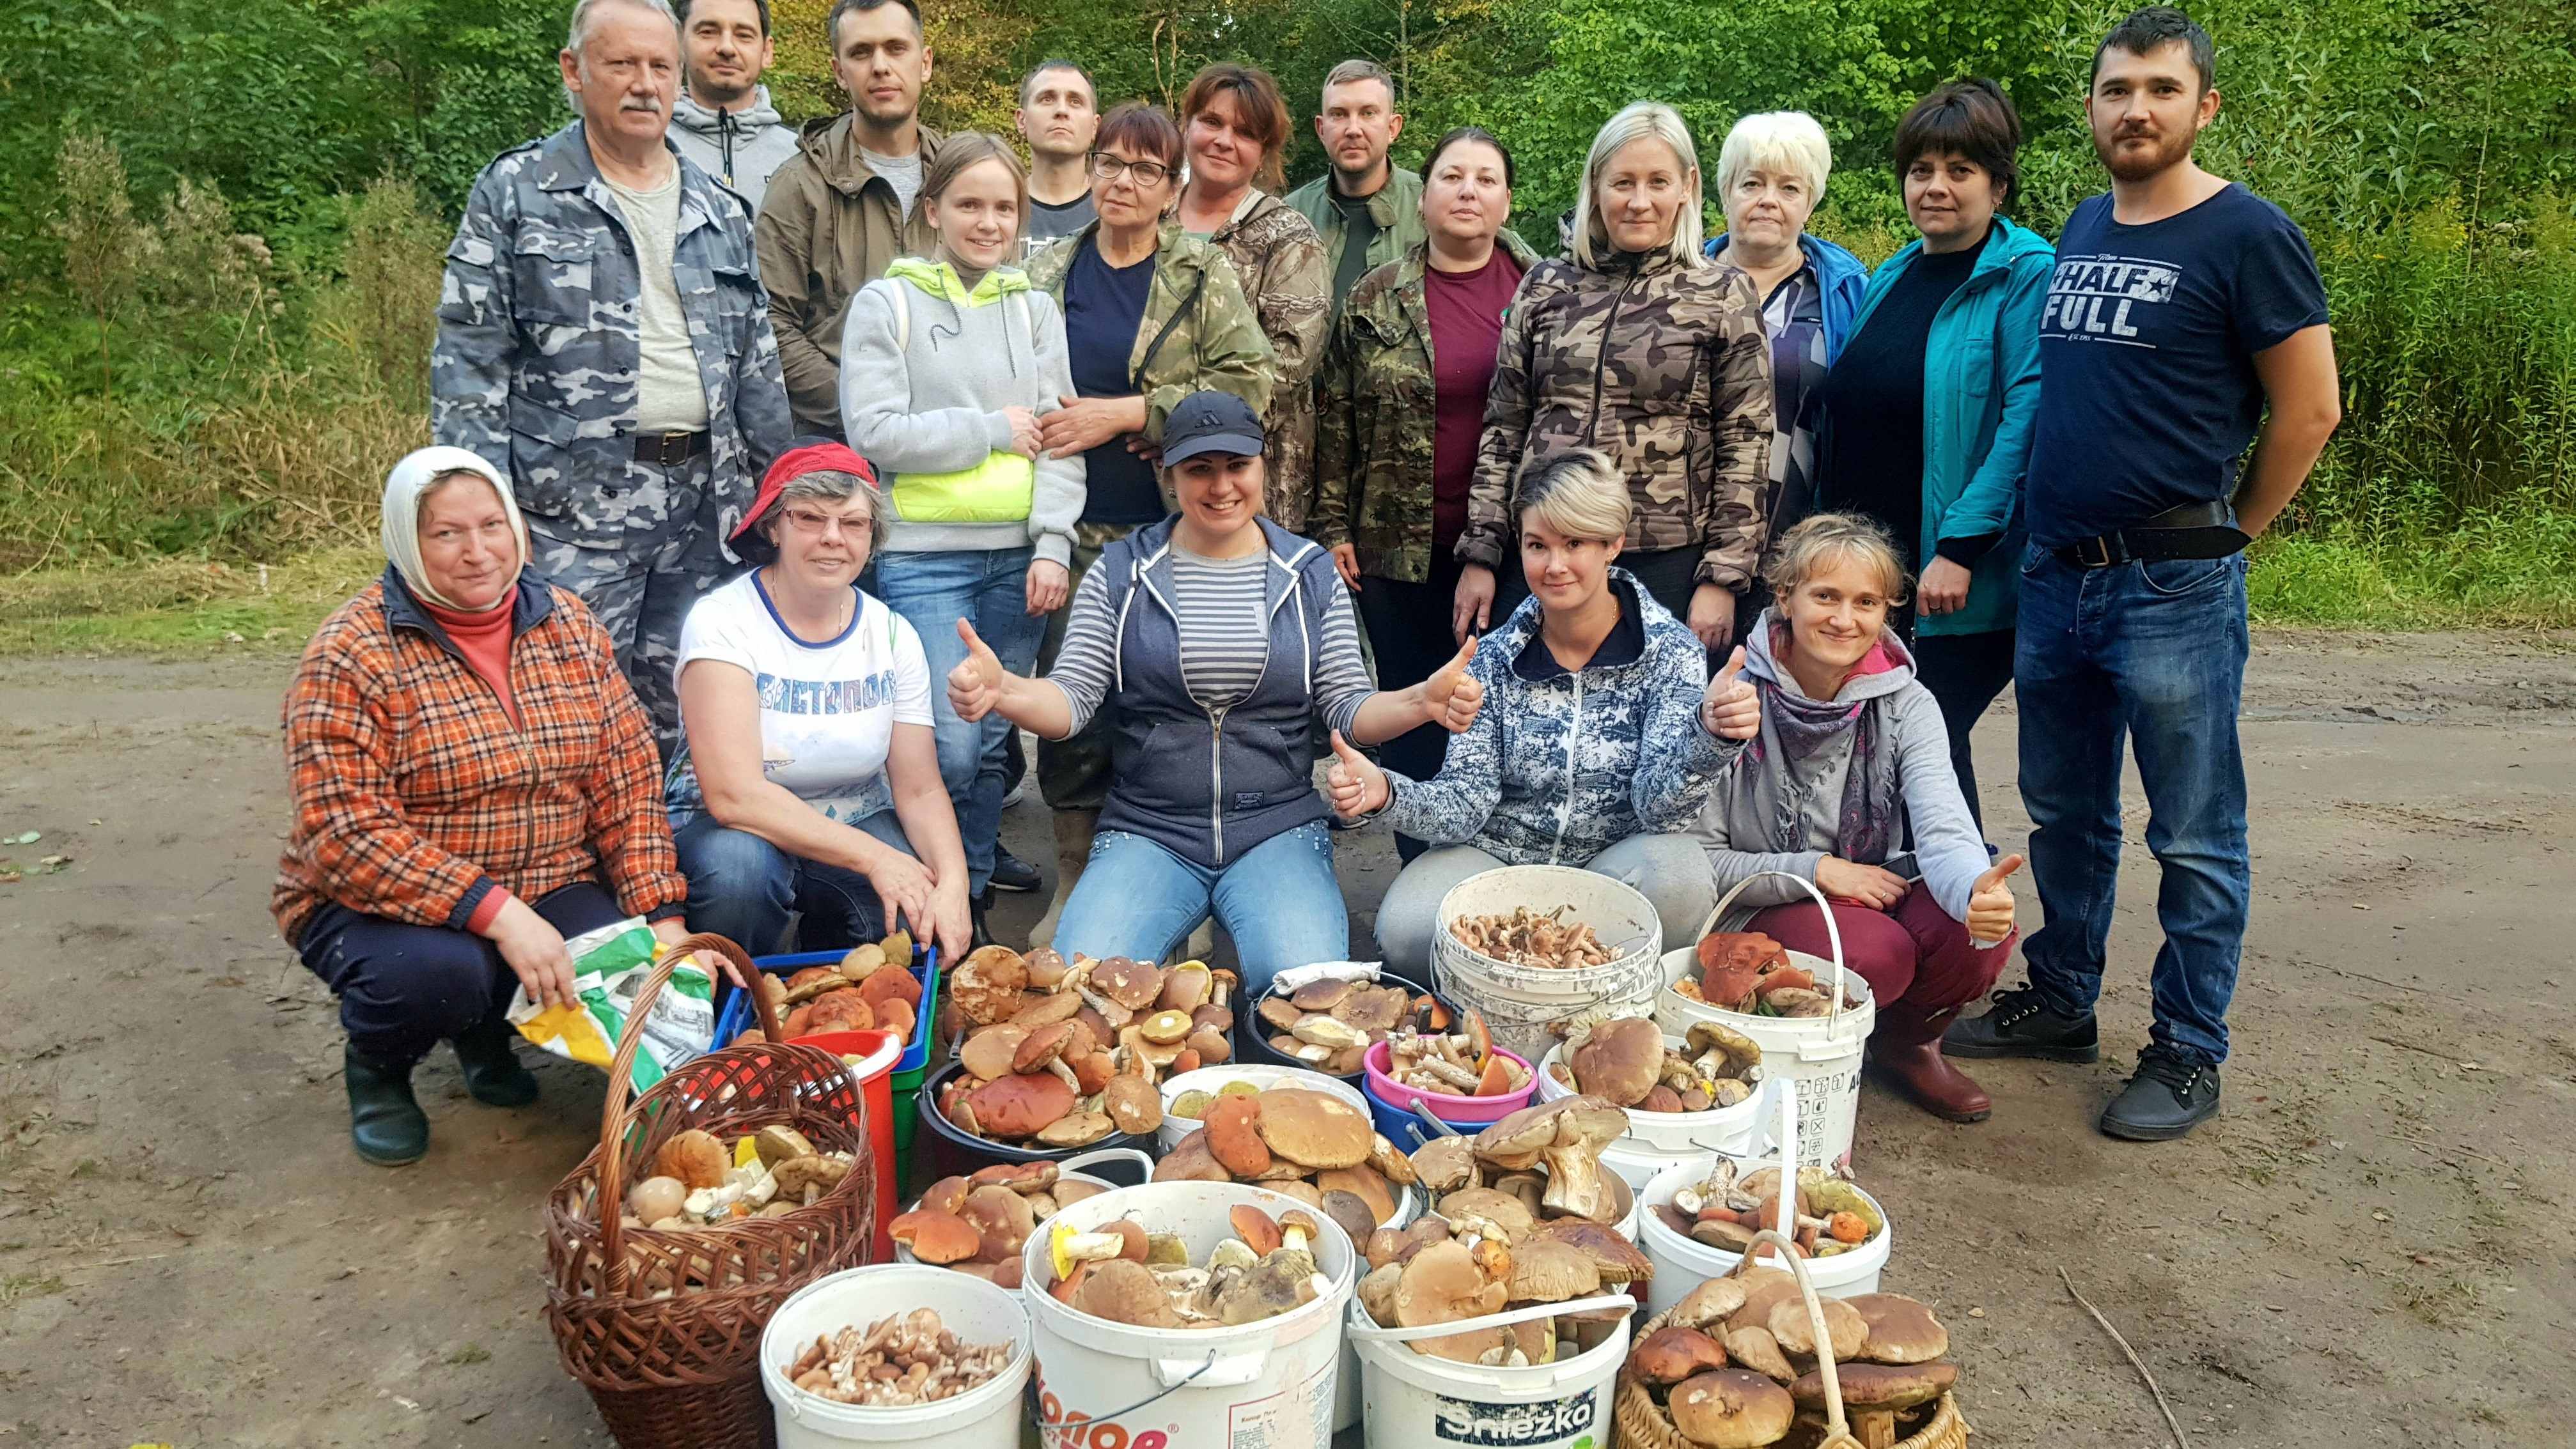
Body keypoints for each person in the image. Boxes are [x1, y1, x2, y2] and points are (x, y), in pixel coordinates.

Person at [1945, 7, 2341, 1142]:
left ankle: (2184, 1047)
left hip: (2171, 582)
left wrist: (2228, 533)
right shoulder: (2079, 224)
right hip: (2058, 579)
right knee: (2065, 813)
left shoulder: (2245, 235)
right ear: (2090, 108)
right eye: (2117, 89)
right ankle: (2062, 1000)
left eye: (2161, 90)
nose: (2136, 109)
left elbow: (2308, 407)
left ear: (2201, 105)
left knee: (2192, 832)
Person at [947, 392, 1481, 995]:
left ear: (1262, 466)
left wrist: (1421, 702)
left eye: (1236, 466)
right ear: (1169, 475)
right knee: (1082, 999)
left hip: (1275, 826)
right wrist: (1006, 691)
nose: (1221, 485)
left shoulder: (1308, 574)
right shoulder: (1121, 571)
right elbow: (1070, 702)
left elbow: (1347, 709)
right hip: (1149, 828)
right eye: (1200, 469)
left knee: (1310, 1005)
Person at [276, 448, 706, 1166]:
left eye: (491, 525)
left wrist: (660, 913)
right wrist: (498, 913)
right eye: (446, 534)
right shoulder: (350, 651)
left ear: (517, 528)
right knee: (440, 975)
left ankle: (485, 1029)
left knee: (635, 984)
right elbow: (343, 832)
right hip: (381, 903)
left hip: (550, 876)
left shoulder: (567, 622)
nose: (477, 552)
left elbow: (625, 776)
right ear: (404, 542)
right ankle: (380, 1066)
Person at [433, 0, 792, 752]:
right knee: (560, 708)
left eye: (660, 67)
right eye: (621, 64)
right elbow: (470, 360)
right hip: (569, 509)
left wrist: (776, 498)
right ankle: (568, 867)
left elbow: (756, 366)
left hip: (704, 511)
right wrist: (484, 510)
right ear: (574, 71)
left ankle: (668, 862)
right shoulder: (518, 192)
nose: (643, 84)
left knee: (689, 713)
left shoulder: (717, 207)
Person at [1337, 451, 1760, 972]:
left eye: (1575, 543)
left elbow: (1661, 812)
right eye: (1538, 545)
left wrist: (1709, 737)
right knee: (1406, 931)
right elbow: (1463, 805)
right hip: (1498, 858)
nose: (1554, 565)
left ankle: (1619, 1021)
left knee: (1680, 878)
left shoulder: (1670, 652)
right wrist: (1386, 792)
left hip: (1614, 863)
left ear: (1613, 545)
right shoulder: (1491, 656)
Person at [1019, 103, 1277, 944]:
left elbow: (1250, 381)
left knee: (1174, 698)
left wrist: (1134, 411)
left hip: (1174, 526)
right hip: (1070, 525)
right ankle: (1074, 876)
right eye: (1110, 163)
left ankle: (1183, 886)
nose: (1123, 182)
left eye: (1146, 169)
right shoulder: (1047, 269)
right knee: (1076, 711)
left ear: (1172, 188)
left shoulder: (1198, 272)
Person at [1692, 514, 2024, 1123]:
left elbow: (1944, 827)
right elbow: (1698, 861)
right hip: (1761, 895)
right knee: (1881, 953)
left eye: (1865, 601)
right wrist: (1816, 869)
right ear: (1785, 597)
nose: (1844, 620)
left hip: (1874, 885)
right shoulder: (1735, 693)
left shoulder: (1907, 704)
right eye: (1825, 596)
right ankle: (1792, 1043)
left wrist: (1974, 887)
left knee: (1976, 934)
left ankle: (1906, 1044)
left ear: (1885, 612)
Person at [840, 134, 1081, 923]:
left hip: (1016, 561)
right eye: (969, 204)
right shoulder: (889, 304)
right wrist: (989, 429)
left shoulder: (1035, 309)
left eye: (1004, 207)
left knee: (989, 741)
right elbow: (874, 430)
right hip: (923, 559)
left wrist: (1053, 542)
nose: (988, 221)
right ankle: (923, 885)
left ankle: (969, 899)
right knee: (945, 740)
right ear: (934, 209)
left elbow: (1060, 432)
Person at [1806, 79, 2053, 829]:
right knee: (1884, 741)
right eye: (1921, 170)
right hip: (1872, 572)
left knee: (1928, 742)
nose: (1935, 187)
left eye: (1959, 170)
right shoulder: (1894, 273)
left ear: (1999, 185)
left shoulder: (2024, 274)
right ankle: (1903, 913)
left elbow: (2026, 418)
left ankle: (1963, 923)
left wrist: (1962, 545)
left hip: (1954, 575)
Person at [1458, 100, 1773, 655]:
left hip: (1666, 557)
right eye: (1622, 182)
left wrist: (1722, 576)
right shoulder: (1545, 285)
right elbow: (1503, 426)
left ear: (1687, 186)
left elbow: (1747, 442)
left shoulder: (1723, 293)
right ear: (1595, 186)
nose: (1638, 201)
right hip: (1542, 549)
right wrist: (1482, 554)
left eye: (1658, 182)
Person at [1313, 126, 1537, 862]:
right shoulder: (1376, 297)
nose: (1467, 191)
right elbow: (1336, 413)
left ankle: (1502, 876)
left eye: (1484, 178)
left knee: (1497, 710)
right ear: (1425, 193)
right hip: (1395, 546)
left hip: (1515, 548)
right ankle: (1421, 873)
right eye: (1451, 176)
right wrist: (1332, 523)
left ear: (1507, 198)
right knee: (1414, 708)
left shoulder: (1547, 291)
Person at [667, 442, 976, 963]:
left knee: (915, 921)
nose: (832, 538)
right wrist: (879, 859)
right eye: (809, 518)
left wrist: (954, 886)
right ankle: (730, 1008)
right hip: (732, 825)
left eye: (853, 524)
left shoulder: (893, 634)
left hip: (853, 806)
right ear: (772, 527)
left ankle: (833, 1002)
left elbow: (920, 788)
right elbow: (734, 796)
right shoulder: (722, 621)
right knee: (737, 876)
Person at [756, 0, 943, 437]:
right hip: (836, 448)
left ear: (925, 62)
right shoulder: (799, 186)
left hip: (950, 440)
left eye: (896, 48)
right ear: (840, 72)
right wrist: (863, 410)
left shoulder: (960, 179)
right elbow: (770, 324)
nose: (880, 66)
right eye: (861, 53)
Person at [1174, 63, 1330, 534]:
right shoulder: (1146, 219)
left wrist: (1163, 413)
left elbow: (1285, 368)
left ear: (1263, 152)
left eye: (1244, 133)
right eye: (1211, 122)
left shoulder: (1289, 240)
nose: (1224, 140)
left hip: (1250, 491)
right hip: (1142, 480)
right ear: (1186, 126)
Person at [1704, 111, 1870, 532]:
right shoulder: (1679, 284)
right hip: (1681, 532)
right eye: (1752, 183)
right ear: (1725, 192)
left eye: (1789, 188)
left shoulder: (1847, 294)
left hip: (1799, 535)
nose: (1768, 199)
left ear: (1810, 203)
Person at [1283, 59, 1424, 316]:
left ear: (1393, 128)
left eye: (1368, 113)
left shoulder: (1431, 208)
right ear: (1321, 129)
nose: (1353, 130)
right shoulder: (1290, 217)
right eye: (1339, 114)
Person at [669, 0, 799, 210]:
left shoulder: (801, 157)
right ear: (678, 42)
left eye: (744, 35)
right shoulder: (647, 148)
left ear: (767, 51)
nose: (727, 48)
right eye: (708, 31)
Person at [1015, 60, 1100, 252]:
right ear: (1022, 120)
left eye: (1076, 102)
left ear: (1094, 126)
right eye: (1047, 99)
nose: (1062, 111)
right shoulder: (994, 207)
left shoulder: (1114, 210)